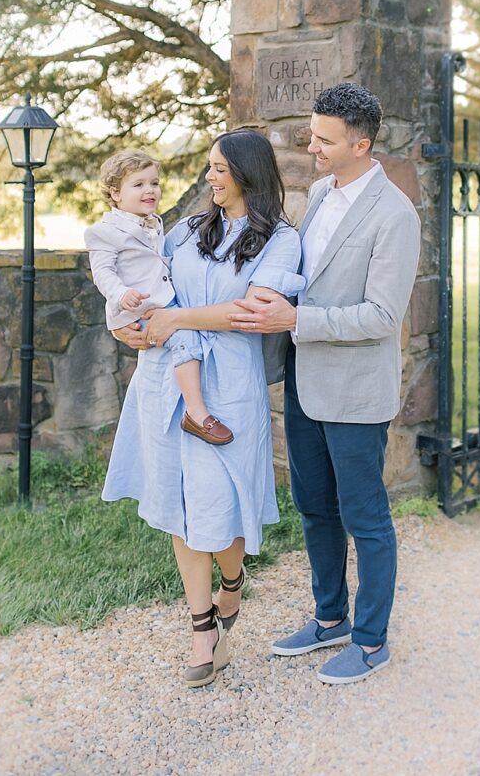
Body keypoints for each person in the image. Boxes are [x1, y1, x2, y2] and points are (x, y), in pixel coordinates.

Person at [230, 83, 422, 686]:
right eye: (313, 134)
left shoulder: (395, 214)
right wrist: (275, 289)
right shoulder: (317, 193)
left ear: (361, 144)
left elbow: (382, 317)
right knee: (314, 508)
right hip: (305, 379)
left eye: (323, 138)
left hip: (357, 391)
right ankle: (331, 618)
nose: (310, 146)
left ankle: (371, 642)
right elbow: (310, 276)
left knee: (365, 517)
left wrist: (295, 320)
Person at [102, 130, 304, 688]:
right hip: (164, 379)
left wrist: (176, 320)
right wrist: (127, 328)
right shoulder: (188, 231)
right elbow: (143, 287)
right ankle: (202, 628)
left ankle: (233, 583)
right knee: (177, 505)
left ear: (247, 173)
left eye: (218, 168)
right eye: (210, 167)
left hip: (228, 386)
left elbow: (250, 313)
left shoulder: (281, 240)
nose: (209, 177)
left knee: (223, 502)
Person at [83, 149, 225, 445]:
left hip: (162, 301)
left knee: (191, 340)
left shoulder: (153, 222)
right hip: (140, 309)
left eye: (154, 183)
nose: (150, 190)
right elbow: (103, 273)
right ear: (115, 194)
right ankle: (197, 413)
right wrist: (122, 296)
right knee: (186, 339)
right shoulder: (104, 232)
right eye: (138, 184)